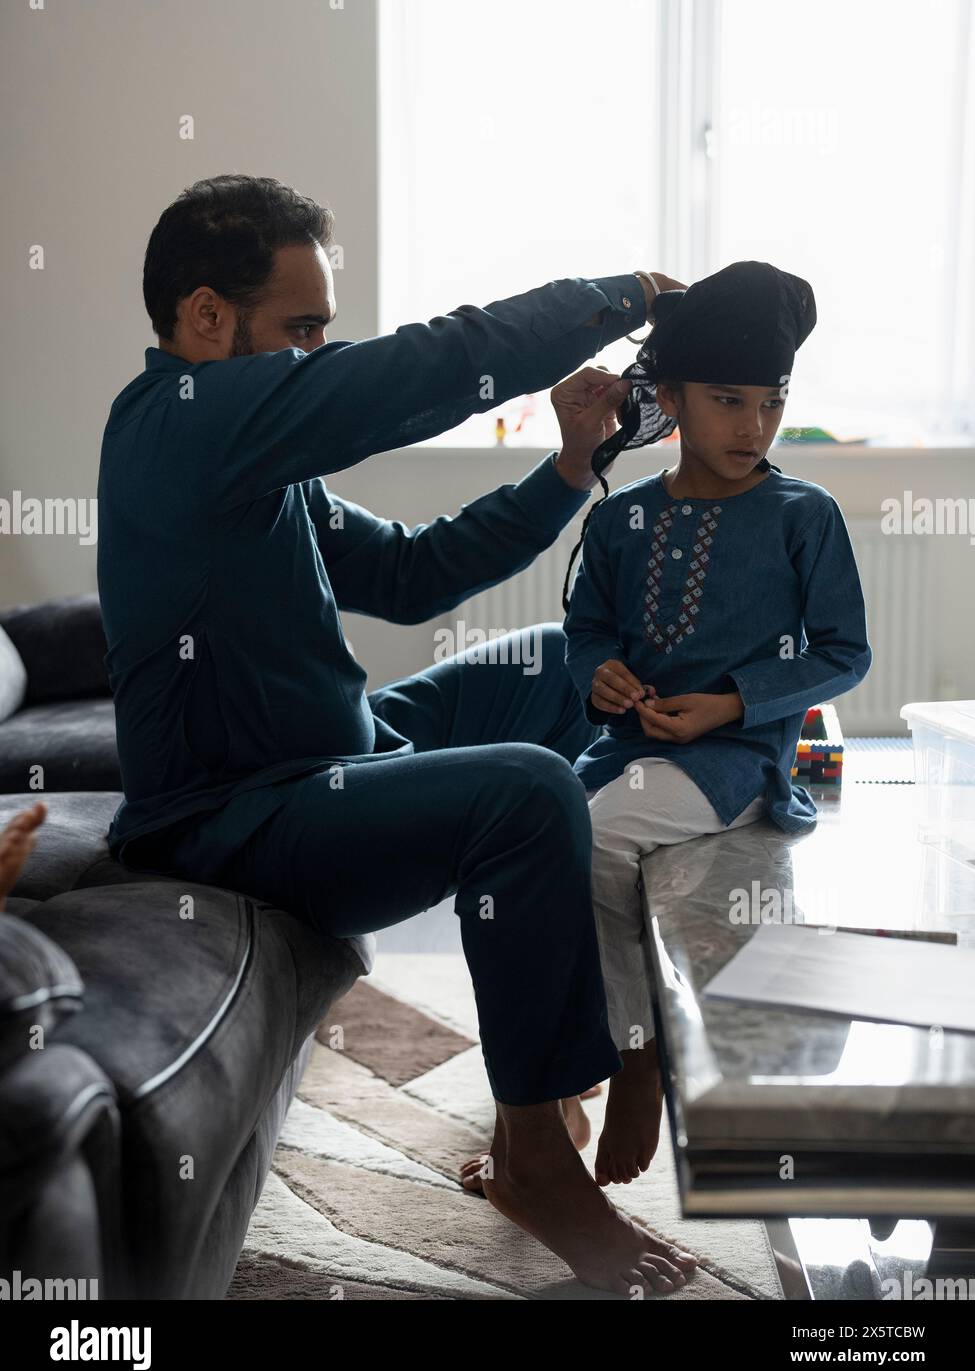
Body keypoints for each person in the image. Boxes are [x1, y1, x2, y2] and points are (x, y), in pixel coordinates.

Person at [97, 172, 697, 1295]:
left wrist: (570, 465)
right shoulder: (178, 426)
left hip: (335, 751)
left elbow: (414, 575)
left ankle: (561, 1035)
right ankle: (534, 1157)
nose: (322, 353)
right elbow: (426, 366)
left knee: (572, 671)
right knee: (522, 790)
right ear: (206, 318)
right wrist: (618, 295)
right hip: (236, 815)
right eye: (304, 329)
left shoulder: (254, 453)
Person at [562, 261, 873, 1187]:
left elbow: (843, 653)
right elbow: (587, 632)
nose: (752, 426)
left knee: (589, 839)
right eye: (728, 401)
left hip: (737, 758)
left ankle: (635, 1058)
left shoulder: (802, 514)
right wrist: (603, 678)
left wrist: (735, 701)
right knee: (524, 839)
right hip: (624, 747)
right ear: (671, 399)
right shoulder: (621, 520)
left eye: (770, 403)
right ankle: (549, 1081)